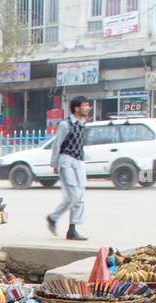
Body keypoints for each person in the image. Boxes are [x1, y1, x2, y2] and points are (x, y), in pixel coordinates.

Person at [46, 96, 90, 241]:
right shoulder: (66, 124)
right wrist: (55, 164)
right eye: (85, 105)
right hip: (67, 161)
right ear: (77, 108)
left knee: (80, 197)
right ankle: (53, 218)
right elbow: (57, 144)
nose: (88, 108)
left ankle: (72, 229)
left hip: (79, 162)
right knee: (73, 196)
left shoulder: (83, 124)